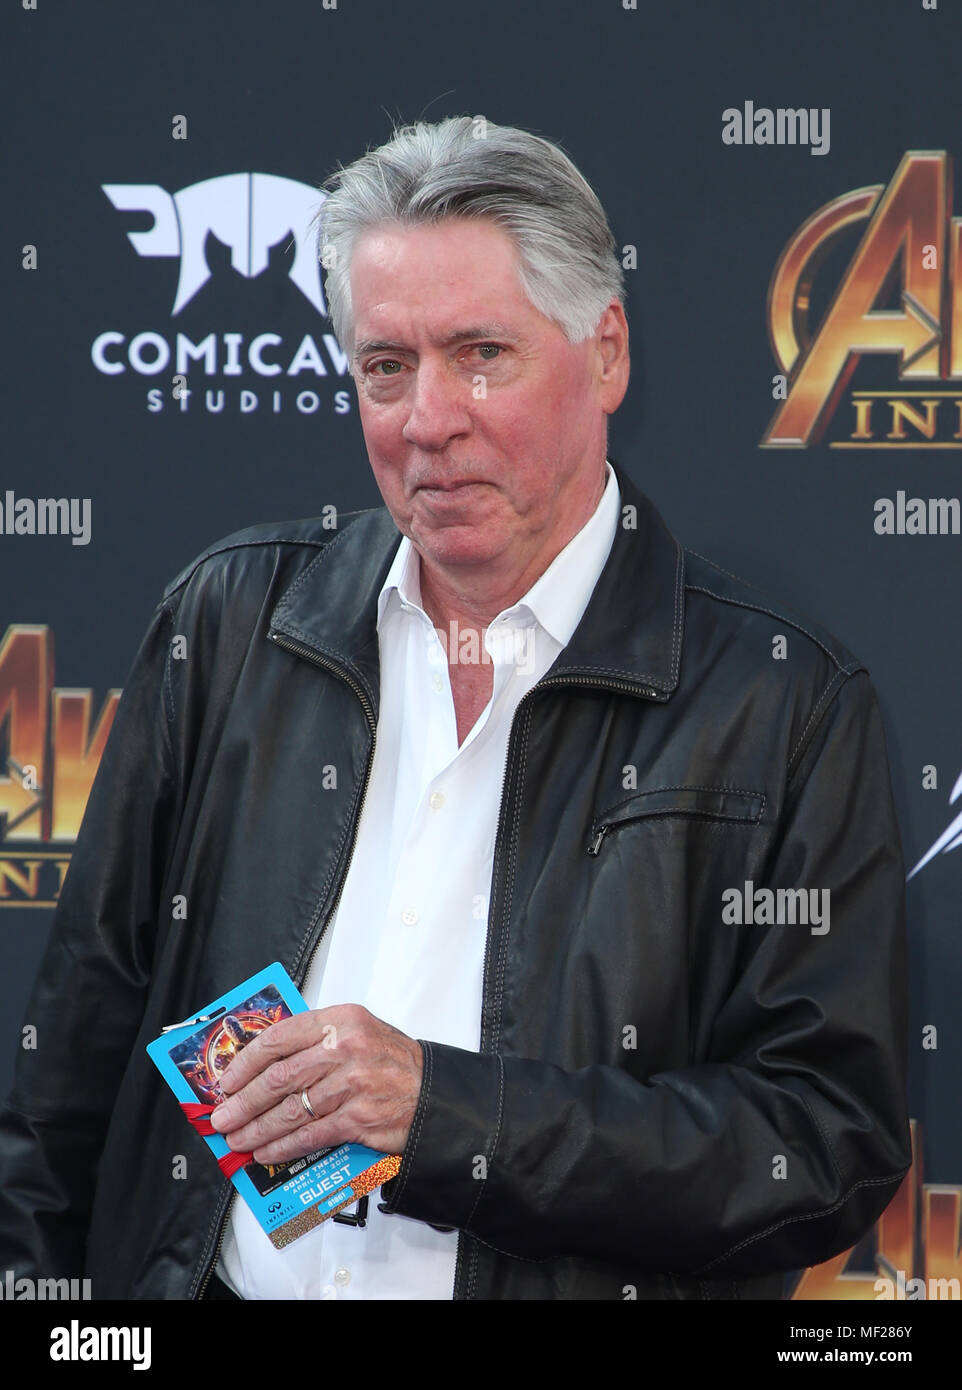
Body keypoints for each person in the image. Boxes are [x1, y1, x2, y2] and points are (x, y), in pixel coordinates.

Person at [0, 116, 910, 1300]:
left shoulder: (783, 702)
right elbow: (67, 1084)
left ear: (607, 352)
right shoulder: (227, 624)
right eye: (386, 366)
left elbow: (820, 1147)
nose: (428, 419)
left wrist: (444, 1116)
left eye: (481, 354)